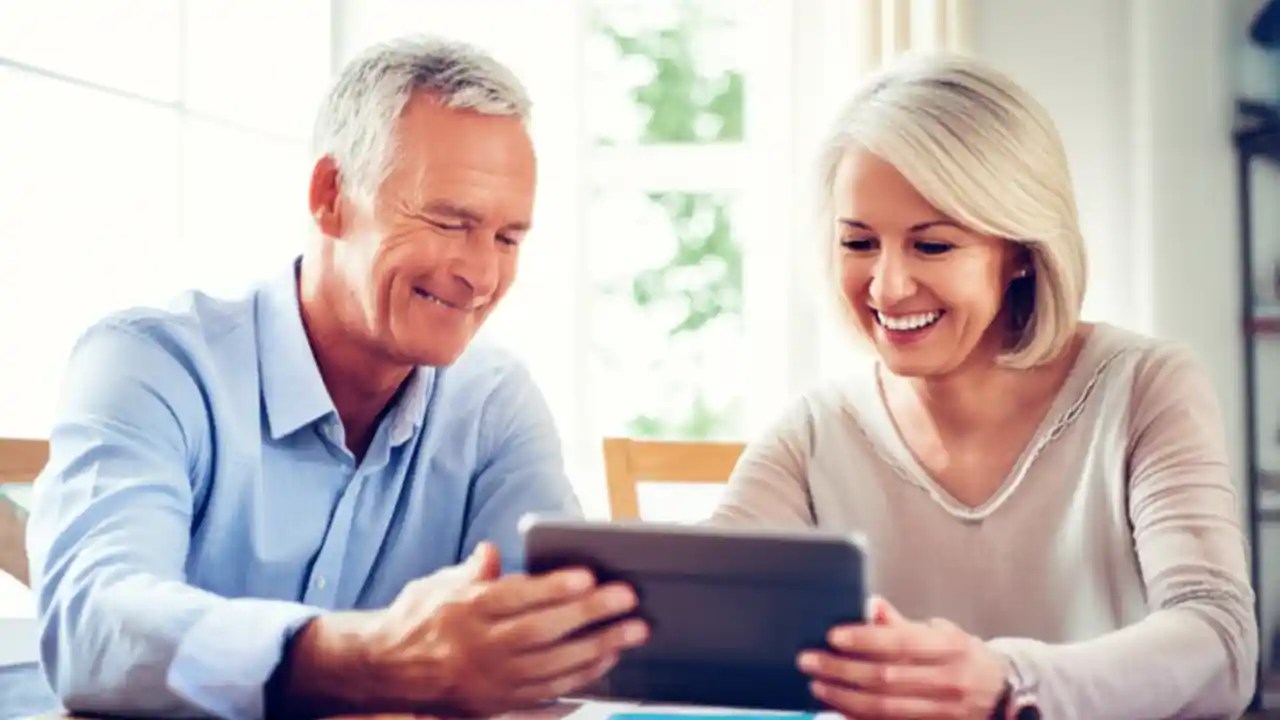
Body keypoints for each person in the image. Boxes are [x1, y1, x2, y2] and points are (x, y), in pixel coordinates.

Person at [26, 35, 647, 719]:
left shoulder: (495, 402)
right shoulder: (152, 365)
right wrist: (376, 657)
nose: (482, 275)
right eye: (449, 221)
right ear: (330, 196)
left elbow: (552, 662)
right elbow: (94, 627)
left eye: (507, 239)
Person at [710, 53, 1257, 719]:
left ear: (1022, 251)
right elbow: (700, 610)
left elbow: (1221, 643)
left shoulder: (1144, 387)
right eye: (859, 244)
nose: (886, 286)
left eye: (932, 246)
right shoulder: (813, 432)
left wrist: (1008, 681)